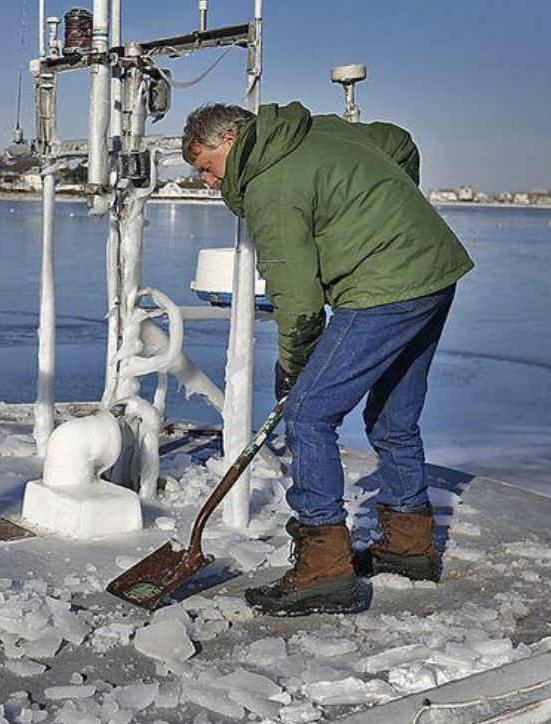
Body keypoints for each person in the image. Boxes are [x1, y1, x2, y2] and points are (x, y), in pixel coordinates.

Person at [181, 102, 474, 616]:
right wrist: (382, 213)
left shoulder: (269, 186)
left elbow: (297, 300)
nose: (206, 181)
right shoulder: (319, 130)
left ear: (229, 138)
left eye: (205, 166)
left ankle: (324, 571)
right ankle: (409, 548)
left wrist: (295, 371)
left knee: (308, 414)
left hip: (383, 290)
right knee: (393, 417)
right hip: (434, 271)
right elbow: (399, 140)